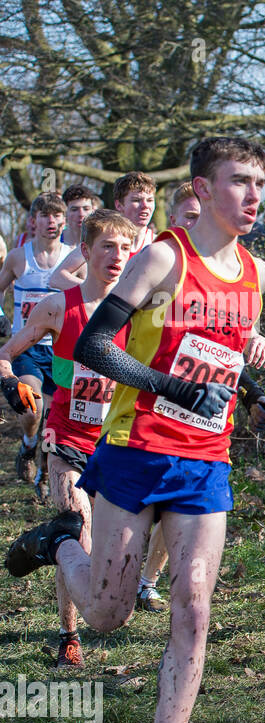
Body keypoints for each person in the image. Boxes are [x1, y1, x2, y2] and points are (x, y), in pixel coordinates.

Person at [5, 136, 265, 723]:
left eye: (260, 183)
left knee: (192, 602)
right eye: (239, 181)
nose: (253, 196)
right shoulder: (163, 256)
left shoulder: (257, 274)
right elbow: (96, 347)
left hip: (205, 461)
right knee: (108, 615)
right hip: (134, 449)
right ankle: (65, 540)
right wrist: (165, 387)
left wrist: (249, 391)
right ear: (202, 188)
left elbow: (211, 352)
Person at [0, 209, 137, 666]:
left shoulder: (140, 311)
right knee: (77, 531)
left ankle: (45, 541)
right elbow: (6, 354)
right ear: (85, 251)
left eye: (125, 248)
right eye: (107, 247)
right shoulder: (59, 305)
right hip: (65, 437)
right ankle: (68, 635)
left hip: (117, 442)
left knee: (105, 544)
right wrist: (9, 380)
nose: (117, 257)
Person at [135, 179, 208, 614]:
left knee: (176, 501)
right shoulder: (158, 257)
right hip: (140, 400)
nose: (198, 225)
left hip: (197, 409)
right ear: (176, 218)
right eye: (191, 217)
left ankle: (148, 582)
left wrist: (255, 337)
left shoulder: (227, 265)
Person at [0, 193, 75, 488]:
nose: (52, 221)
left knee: (56, 417)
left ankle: (44, 474)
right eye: (45, 215)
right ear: (34, 221)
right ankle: (28, 445)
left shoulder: (73, 257)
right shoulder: (20, 257)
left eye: (57, 215)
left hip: (60, 349)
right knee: (33, 407)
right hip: (28, 347)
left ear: (64, 220)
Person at [46, 172, 156, 292]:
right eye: (137, 200)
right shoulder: (103, 236)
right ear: (119, 205)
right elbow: (57, 279)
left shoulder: (157, 242)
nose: (145, 206)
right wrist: (103, 292)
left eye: (150, 200)